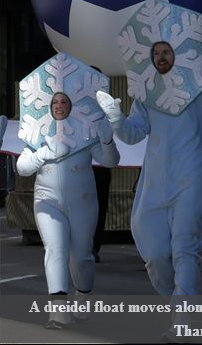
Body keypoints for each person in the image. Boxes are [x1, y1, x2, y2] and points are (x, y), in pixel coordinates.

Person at [96, 60, 202, 298]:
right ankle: (177, 301)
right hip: (155, 186)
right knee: (155, 255)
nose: (162, 58)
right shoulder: (148, 95)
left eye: (167, 52)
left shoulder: (200, 89)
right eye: (157, 53)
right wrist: (117, 119)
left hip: (191, 182)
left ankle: (183, 316)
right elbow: (133, 134)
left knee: (185, 249)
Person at [17, 92, 119, 329]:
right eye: (55, 102)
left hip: (83, 201)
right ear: (49, 106)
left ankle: (82, 298)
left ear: (71, 105)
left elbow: (110, 161)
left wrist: (107, 140)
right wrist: (45, 152)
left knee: (81, 257)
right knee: (55, 250)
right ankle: (58, 312)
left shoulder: (85, 131)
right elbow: (22, 167)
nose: (59, 105)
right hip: (47, 201)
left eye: (64, 101)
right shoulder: (38, 131)